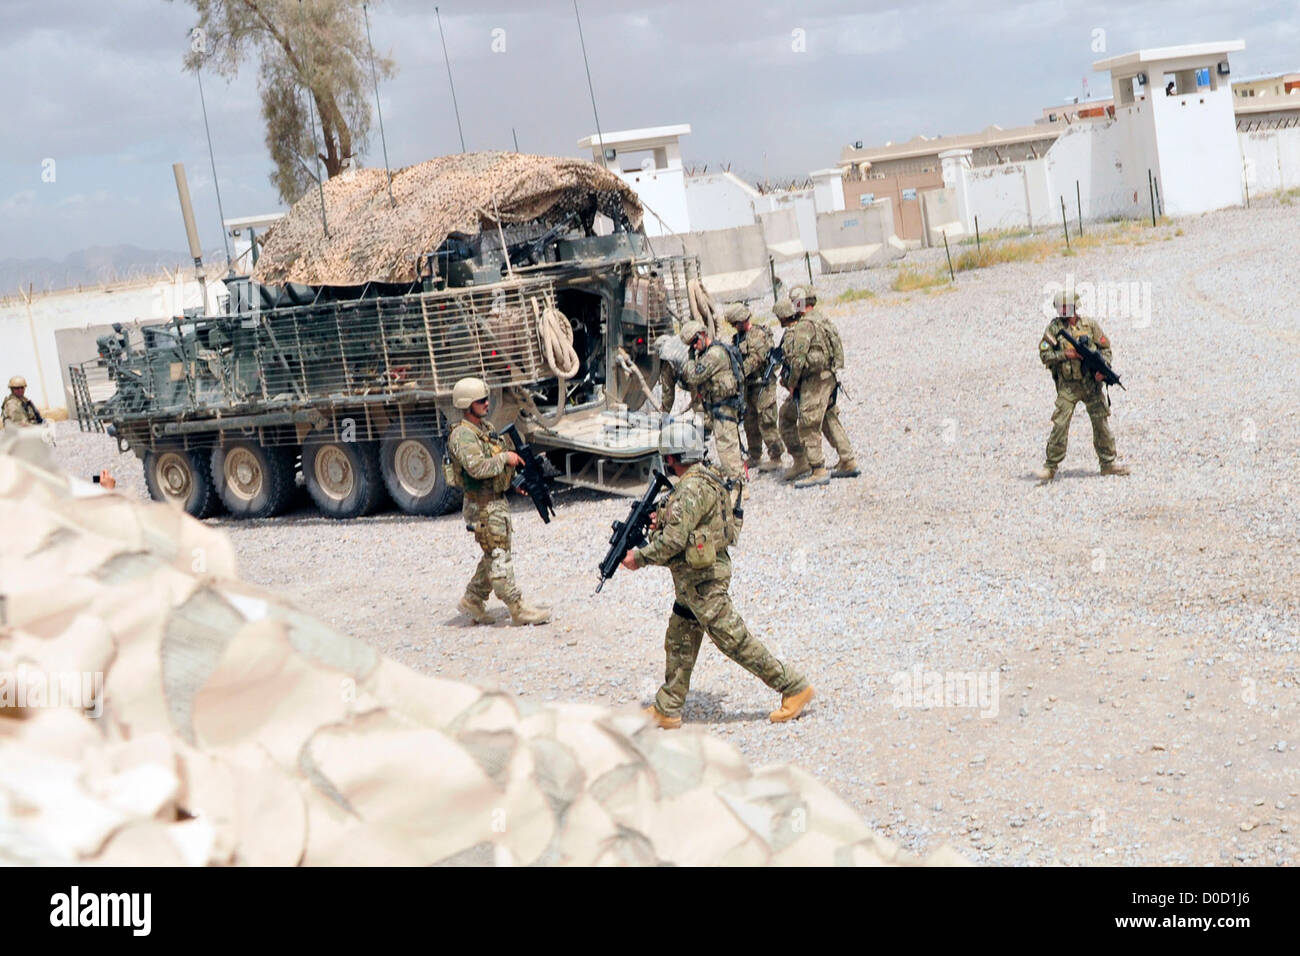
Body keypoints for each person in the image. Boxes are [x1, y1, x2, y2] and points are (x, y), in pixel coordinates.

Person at [620, 422, 814, 728]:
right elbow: (691, 523)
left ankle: (794, 687)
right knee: (680, 638)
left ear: (672, 458)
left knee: (734, 640)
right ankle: (668, 707)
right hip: (693, 582)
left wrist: (639, 558)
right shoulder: (704, 479)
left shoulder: (690, 489)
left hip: (704, 583)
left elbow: (672, 541)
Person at [445, 377, 551, 625]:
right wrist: (505, 458)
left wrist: (516, 482)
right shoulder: (462, 436)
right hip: (482, 506)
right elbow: (477, 468)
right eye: (480, 400)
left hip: (495, 501)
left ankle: (472, 599)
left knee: (494, 553)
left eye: (486, 399)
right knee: (499, 555)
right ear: (466, 404)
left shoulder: (484, 429)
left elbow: (496, 464)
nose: (486, 403)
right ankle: (517, 607)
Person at [1034, 290, 1130, 481]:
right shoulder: (1053, 329)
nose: (1063, 311)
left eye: (1066, 307)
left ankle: (1108, 463)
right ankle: (1050, 466)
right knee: (1060, 423)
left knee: (1101, 421)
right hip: (1068, 387)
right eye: (1059, 308)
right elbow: (1045, 356)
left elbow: (1105, 349)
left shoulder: (1090, 325)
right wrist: (1065, 355)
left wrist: (1103, 369)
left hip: (1091, 385)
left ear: (1074, 307)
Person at [776, 286, 859, 487]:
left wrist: (792, 383)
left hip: (814, 381)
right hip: (828, 377)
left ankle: (818, 469)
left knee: (808, 424)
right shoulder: (822, 319)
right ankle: (847, 460)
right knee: (828, 417)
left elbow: (798, 360)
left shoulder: (805, 326)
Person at [675, 318, 746, 489]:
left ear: (701, 336)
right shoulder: (708, 352)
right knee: (725, 444)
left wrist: (690, 358)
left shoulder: (714, 355)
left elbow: (693, 376)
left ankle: (739, 486)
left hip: (725, 407)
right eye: (690, 346)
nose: (693, 347)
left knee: (727, 447)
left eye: (693, 343)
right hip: (716, 407)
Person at [730, 302, 785, 474]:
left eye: (735, 323)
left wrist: (738, 374)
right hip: (749, 386)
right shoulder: (738, 337)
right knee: (750, 421)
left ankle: (776, 457)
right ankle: (755, 455)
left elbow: (756, 358)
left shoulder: (757, 335)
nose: (734, 327)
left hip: (763, 384)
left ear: (742, 320)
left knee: (766, 420)